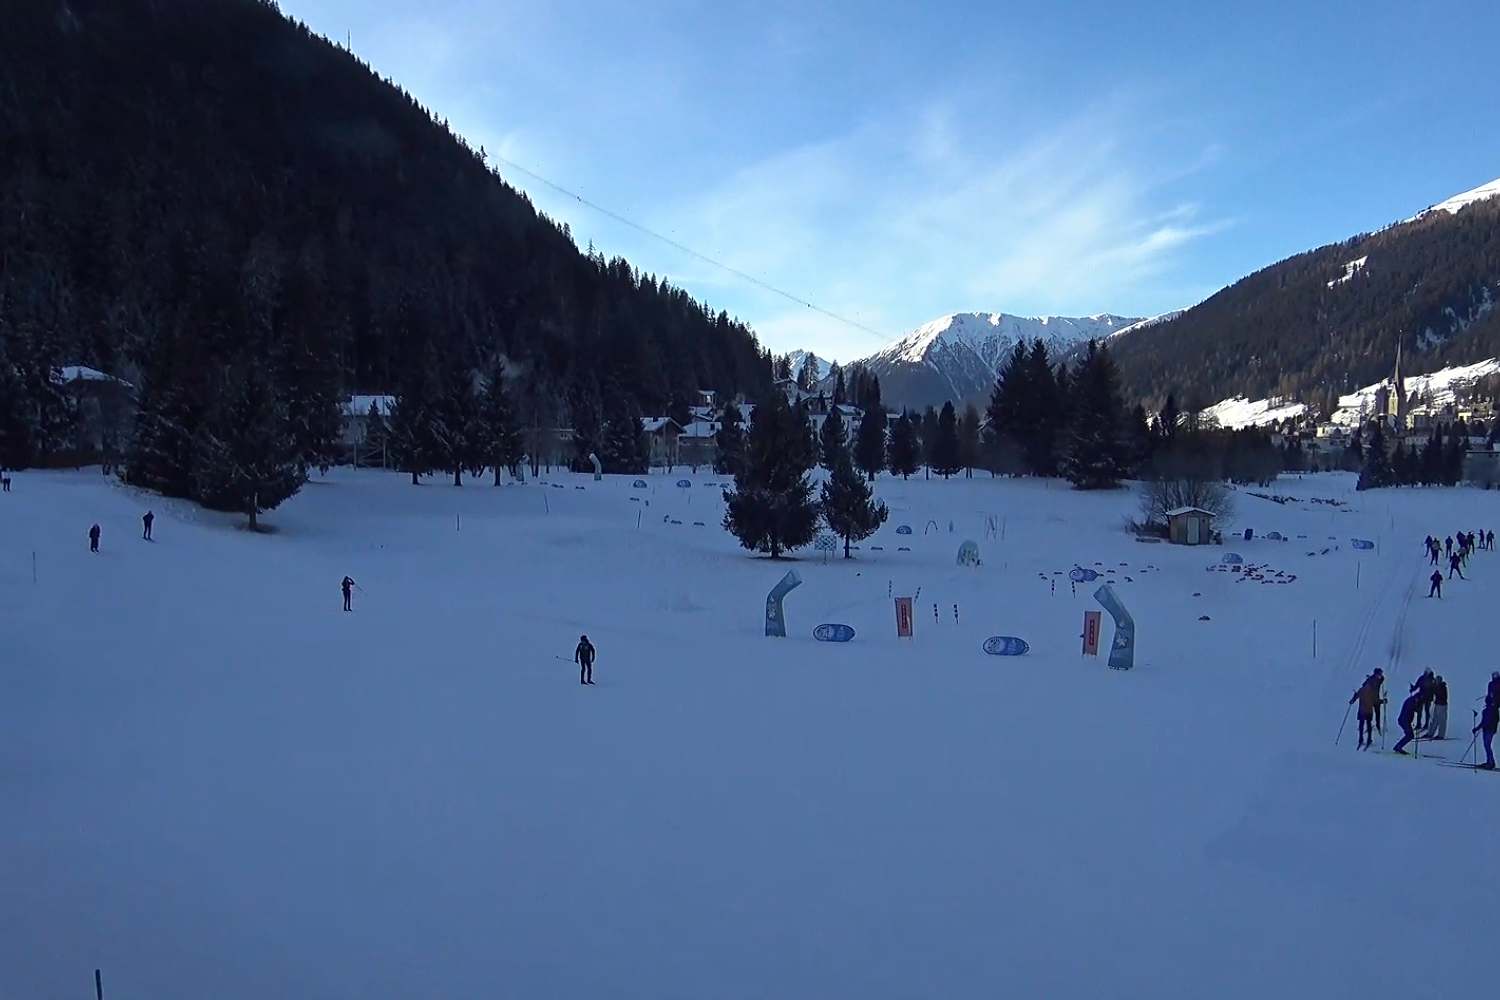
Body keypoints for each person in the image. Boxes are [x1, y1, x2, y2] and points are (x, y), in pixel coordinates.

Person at [1350, 674, 1382, 750]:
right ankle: (1369, 739)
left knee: (1361, 725)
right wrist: (1383, 701)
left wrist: (1352, 701)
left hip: (1361, 710)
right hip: (1369, 711)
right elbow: (1376, 701)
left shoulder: (1361, 690)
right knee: (1368, 724)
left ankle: (1360, 738)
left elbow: (1356, 696)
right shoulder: (1372, 692)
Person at [1392, 689, 1423, 754]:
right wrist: (1418, 708)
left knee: (1410, 735)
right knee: (1410, 735)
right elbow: (1414, 709)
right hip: (1404, 720)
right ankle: (1398, 747)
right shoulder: (1411, 701)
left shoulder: (1412, 700)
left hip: (1405, 720)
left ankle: (1398, 746)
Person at [1473, 696, 1498, 770]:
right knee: (1488, 746)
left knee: (1487, 746)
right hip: (1491, 729)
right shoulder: (1495, 710)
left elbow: (1484, 721)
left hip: (1488, 730)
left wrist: (1477, 728)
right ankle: (1490, 761)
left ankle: (1490, 762)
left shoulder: (1487, 710)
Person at [1423, 675, 1449, 739]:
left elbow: (1441, 695)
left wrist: (1434, 688)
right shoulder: (1436, 686)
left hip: (1442, 705)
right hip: (1437, 704)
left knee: (1442, 721)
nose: (1436, 681)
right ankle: (1430, 733)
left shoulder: (1442, 687)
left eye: (1437, 680)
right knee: (1434, 719)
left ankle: (1441, 735)